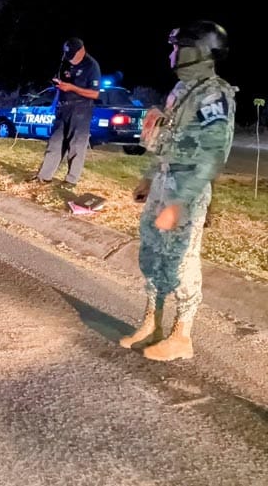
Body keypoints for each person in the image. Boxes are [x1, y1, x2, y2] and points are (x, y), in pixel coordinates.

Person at [119, 21, 237, 361]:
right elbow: (167, 144)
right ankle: (151, 323)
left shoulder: (214, 94)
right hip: (163, 183)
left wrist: (179, 202)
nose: (172, 54)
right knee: (153, 254)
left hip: (186, 189)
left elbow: (214, 153)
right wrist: (149, 175)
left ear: (197, 52)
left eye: (177, 47)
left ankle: (181, 335)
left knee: (181, 260)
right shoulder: (180, 91)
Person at [31, 37, 100, 189]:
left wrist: (72, 88)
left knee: (76, 146)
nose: (70, 59)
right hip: (63, 108)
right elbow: (62, 83)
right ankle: (44, 176)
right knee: (55, 142)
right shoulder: (65, 62)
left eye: (72, 56)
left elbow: (95, 94)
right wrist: (59, 87)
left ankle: (70, 181)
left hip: (81, 110)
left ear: (81, 50)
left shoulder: (92, 66)